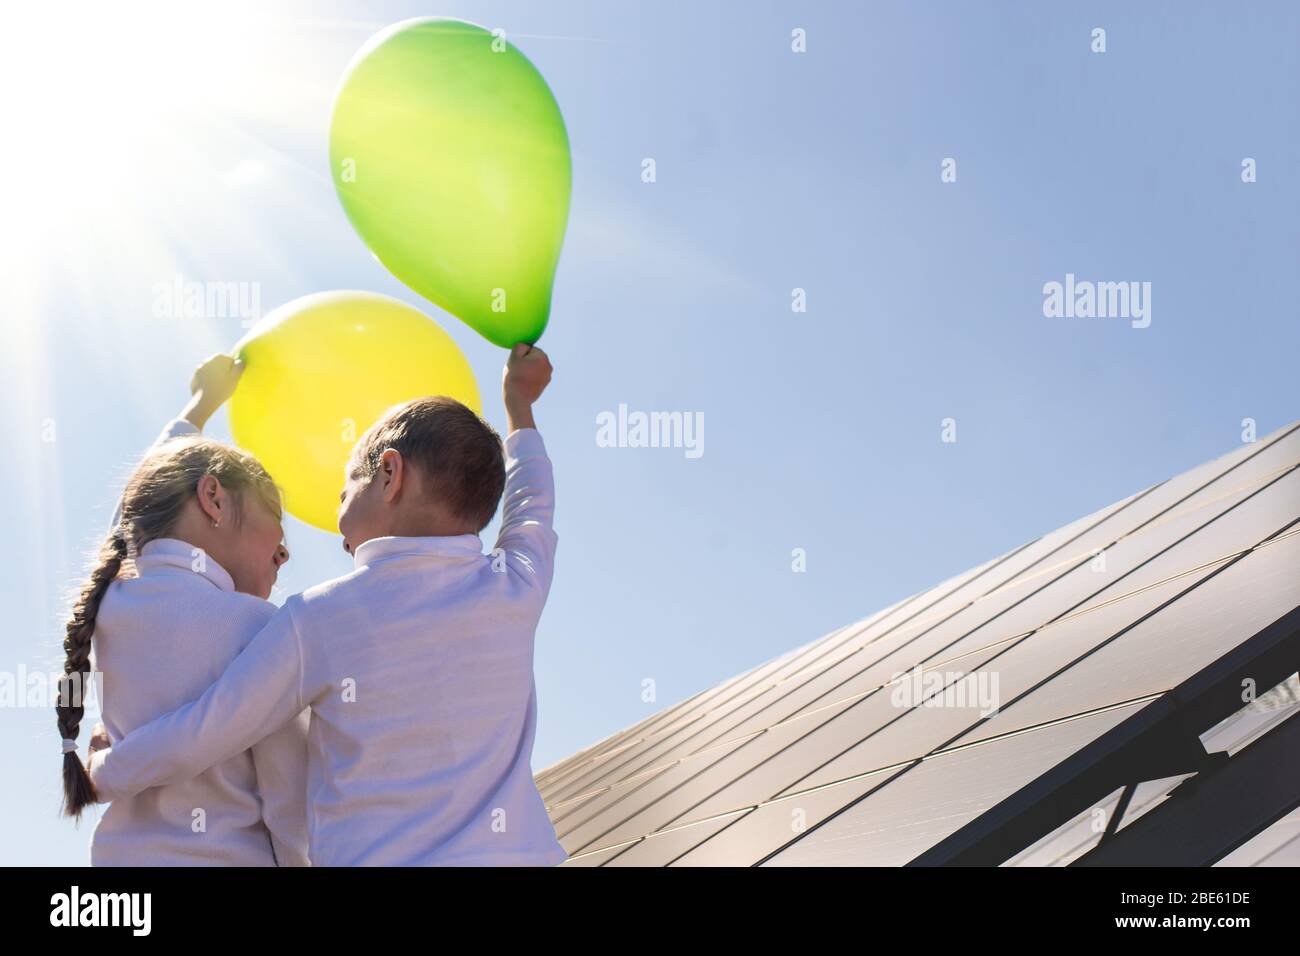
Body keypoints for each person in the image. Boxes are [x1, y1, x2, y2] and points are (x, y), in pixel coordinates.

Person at [90, 344, 566, 866]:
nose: (334, 516)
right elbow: (532, 506)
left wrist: (100, 771)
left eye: (344, 490)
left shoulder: (313, 621)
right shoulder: (516, 583)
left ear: (389, 474)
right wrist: (520, 406)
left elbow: (204, 730)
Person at [60, 355, 309, 866]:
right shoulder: (263, 629)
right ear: (214, 499)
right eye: (278, 527)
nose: (284, 553)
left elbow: (128, 519)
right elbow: (292, 807)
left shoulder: (108, 604)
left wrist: (199, 407)